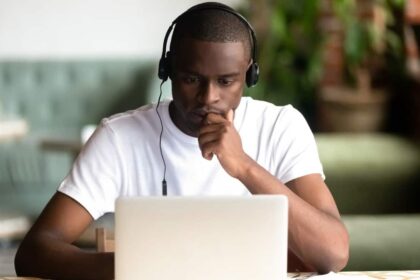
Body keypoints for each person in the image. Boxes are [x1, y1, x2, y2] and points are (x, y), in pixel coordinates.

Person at [15, 2, 349, 279]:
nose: (208, 97)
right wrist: (140, 269)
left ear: (249, 75)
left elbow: (332, 254)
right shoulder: (119, 138)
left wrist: (244, 166)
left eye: (226, 81)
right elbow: (35, 251)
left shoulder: (280, 126)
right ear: (169, 70)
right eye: (191, 79)